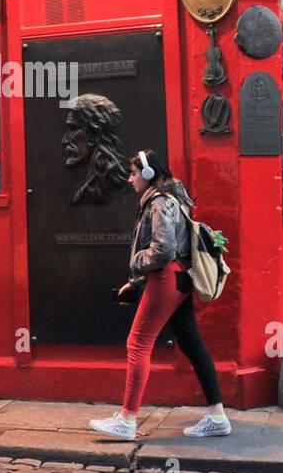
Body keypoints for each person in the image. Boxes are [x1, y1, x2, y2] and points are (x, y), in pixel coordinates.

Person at [90, 149, 229, 441]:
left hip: (166, 279)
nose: (130, 180)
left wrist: (136, 262)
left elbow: (163, 250)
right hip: (179, 280)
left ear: (149, 174)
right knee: (193, 345)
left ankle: (127, 421)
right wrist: (136, 281)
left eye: (134, 173)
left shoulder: (159, 204)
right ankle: (217, 416)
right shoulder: (174, 198)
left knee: (138, 343)